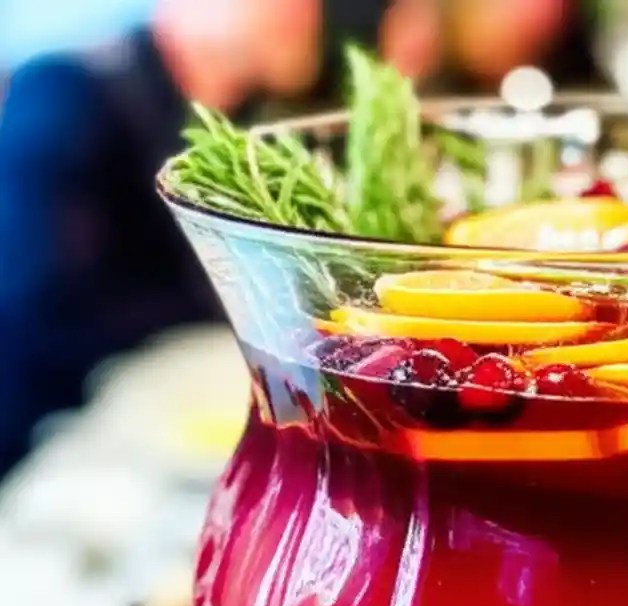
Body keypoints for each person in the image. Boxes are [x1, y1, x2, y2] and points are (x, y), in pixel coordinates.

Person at [0, 0, 390, 475]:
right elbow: (37, 305)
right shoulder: (65, 94)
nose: (308, 13)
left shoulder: (243, 117)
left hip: (174, 438)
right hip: (49, 456)